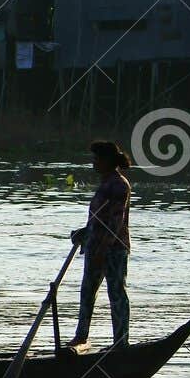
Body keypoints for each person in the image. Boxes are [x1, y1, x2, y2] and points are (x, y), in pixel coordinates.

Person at [67, 140, 132, 349]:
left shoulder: (120, 185)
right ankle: (81, 336)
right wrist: (84, 233)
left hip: (113, 251)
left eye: (97, 159)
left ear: (107, 161)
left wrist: (102, 249)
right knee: (87, 292)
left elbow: (115, 222)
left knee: (116, 294)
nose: (94, 163)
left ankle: (120, 342)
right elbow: (98, 220)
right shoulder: (104, 184)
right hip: (95, 248)